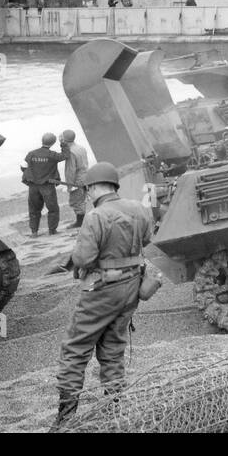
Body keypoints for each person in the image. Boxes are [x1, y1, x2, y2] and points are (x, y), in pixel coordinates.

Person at [53, 162, 155, 425]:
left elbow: (84, 259)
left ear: (95, 187)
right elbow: (146, 241)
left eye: (88, 189)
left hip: (101, 291)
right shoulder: (139, 208)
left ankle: (66, 419)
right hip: (132, 286)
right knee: (112, 349)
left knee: (75, 349)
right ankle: (113, 410)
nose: (88, 194)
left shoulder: (95, 216)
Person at [22, 132, 64, 237]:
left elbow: (23, 166)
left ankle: (34, 232)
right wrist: (63, 143)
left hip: (33, 186)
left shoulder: (31, 153)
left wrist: (32, 175)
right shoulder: (53, 155)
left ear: (42, 140)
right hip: (47, 186)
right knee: (53, 209)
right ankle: (52, 231)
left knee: (34, 210)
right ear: (53, 143)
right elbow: (65, 155)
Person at [60, 129, 90, 229]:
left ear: (64, 140)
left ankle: (79, 222)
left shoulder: (71, 152)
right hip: (85, 176)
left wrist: (70, 185)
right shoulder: (81, 148)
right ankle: (82, 220)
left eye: (61, 137)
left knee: (76, 202)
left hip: (77, 180)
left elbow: (70, 170)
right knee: (82, 199)